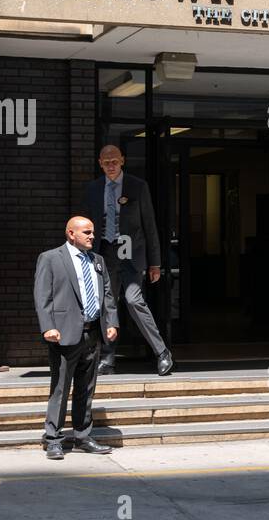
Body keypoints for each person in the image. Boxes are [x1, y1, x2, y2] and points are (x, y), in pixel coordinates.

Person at [34, 217, 119, 460]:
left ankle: (82, 436)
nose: (92, 236)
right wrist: (47, 327)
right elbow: (43, 296)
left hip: (93, 333)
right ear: (71, 234)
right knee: (60, 388)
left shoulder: (98, 261)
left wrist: (112, 322)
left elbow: (107, 294)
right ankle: (53, 439)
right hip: (64, 334)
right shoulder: (51, 258)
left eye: (93, 232)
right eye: (87, 232)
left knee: (86, 388)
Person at [85, 144, 173, 376]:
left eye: (115, 161)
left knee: (133, 300)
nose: (111, 165)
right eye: (106, 162)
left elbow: (150, 225)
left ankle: (162, 352)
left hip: (132, 253)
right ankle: (108, 357)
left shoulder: (138, 186)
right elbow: (88, 224)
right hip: (105, 252)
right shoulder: (93, 189)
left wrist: (155, 263)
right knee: (108, 303)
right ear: (100, 163)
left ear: (123, 160)